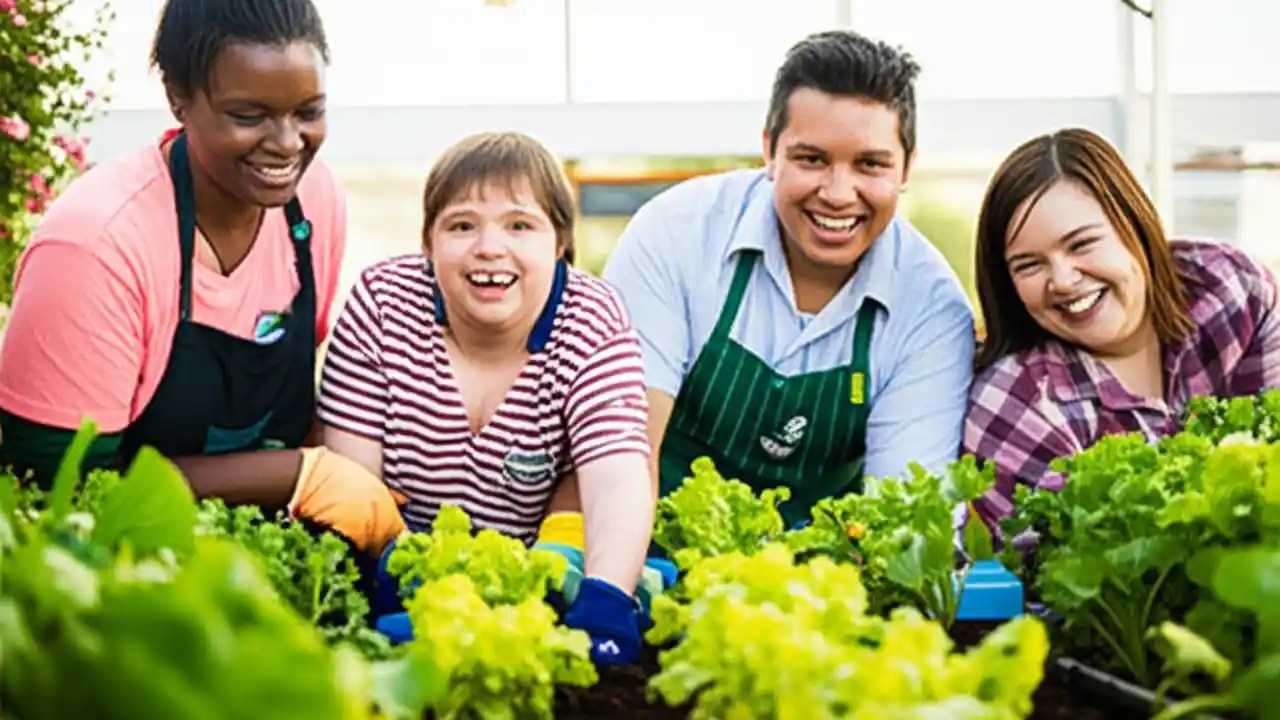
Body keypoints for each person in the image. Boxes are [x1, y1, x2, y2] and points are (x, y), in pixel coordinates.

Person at [0, 0, 405, 555]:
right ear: (178, 98)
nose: (288, 143)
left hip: (258, 557)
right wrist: (296, 476)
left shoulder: (313, 202)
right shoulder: (96, 247)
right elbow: (58, 495)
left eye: (308, 111)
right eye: (249, 116)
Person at [596, 30, 976, 527]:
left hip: (830, 582)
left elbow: (902, 521)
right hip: (651, 559)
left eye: (870, 164)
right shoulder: (675, 234)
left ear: (906, 168)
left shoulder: (931, 310)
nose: (839, 194)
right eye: (812, 159)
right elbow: (623, 452)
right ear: (769, 151)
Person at [316, 131, 657, 664]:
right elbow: (354, 481)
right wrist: (389, 575)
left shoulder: (592, 317)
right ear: (427, 244)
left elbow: (615, 472)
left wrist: (608, 597)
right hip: (404, 572)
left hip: (538, 581)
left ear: (560, 242)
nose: (490, 248)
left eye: (520, 225)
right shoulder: (382, 304)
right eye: (461, 226)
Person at [964, 127, 1280, 527]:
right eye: (1029, 264)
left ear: (1134, 224)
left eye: (1081, 244)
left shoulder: (1230, 291)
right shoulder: (1017, 399)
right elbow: (1032, 574)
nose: (1062, 279)